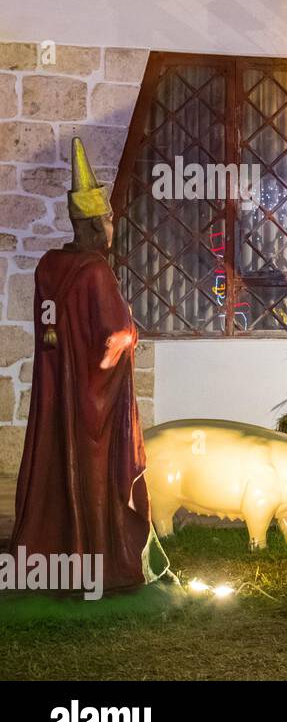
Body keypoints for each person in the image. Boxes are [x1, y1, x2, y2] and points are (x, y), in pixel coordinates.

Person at [10, 139, 162, 592]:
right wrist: (129, 337)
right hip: (93, 406)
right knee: (96, 478)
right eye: (109, 219)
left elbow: (50, 328)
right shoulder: (96, 271)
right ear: (95, 225)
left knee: (55, 468)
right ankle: (99, 560)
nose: (112, 226)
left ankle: (54, 558)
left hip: (58, 395)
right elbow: (114, 338)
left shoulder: (48, 266)